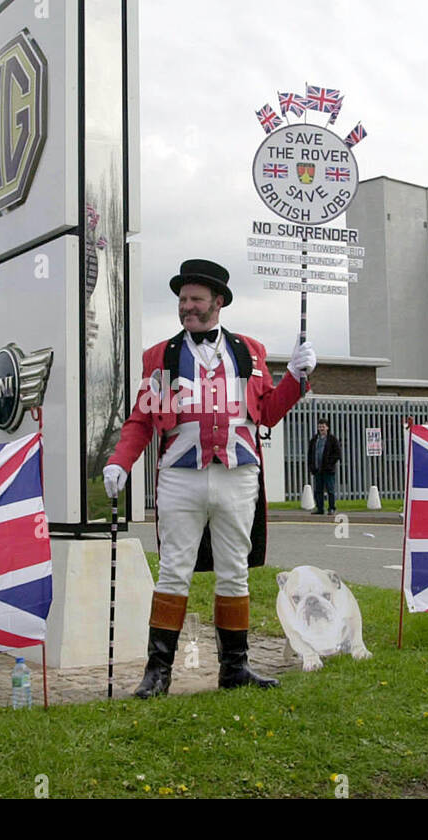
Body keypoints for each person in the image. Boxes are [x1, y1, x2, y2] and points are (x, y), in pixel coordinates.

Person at [103, 258, 316, 698]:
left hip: (238, 475)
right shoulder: (160, 355)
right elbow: (142, 419)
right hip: (180, 475)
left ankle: (234, 669)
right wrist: (120, 461)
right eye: (182, 300)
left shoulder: (249, 351)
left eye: (196, 299)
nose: (187, 307)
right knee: (173, 573)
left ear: (218, 302)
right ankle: (158, 672)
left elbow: (269, 413)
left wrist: (296, 377)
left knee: (235, 572)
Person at [307, 418, 342, 515]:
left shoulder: (332, 439)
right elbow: (310, 454)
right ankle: (320, 508)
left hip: (328, 470)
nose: (321, 428)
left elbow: (337, 453)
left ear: (327, 427)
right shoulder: (314, 440)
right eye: (319, 426)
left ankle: (331, 508)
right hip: (317, 469)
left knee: (330, 489)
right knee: (318, 490)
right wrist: (311, 467)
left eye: (323, 426)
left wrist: (330, 463)